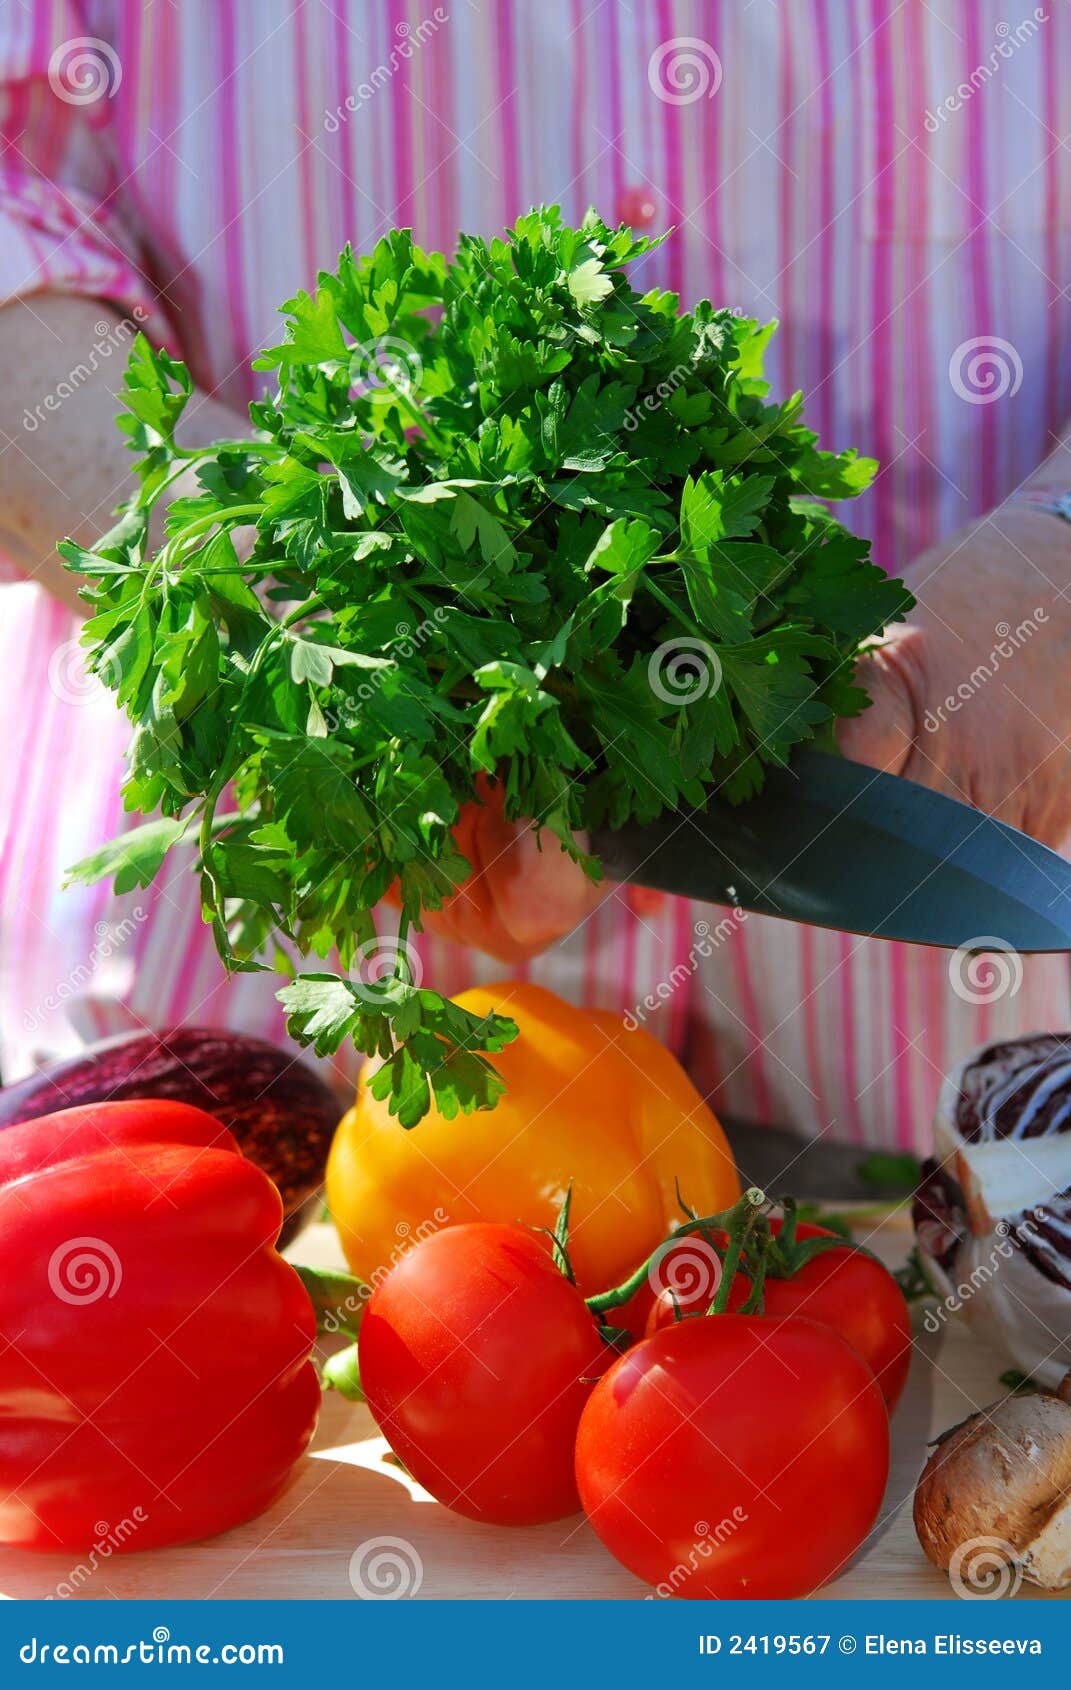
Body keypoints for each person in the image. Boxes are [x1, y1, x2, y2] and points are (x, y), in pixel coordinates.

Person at [2, 0, 1069, 1155]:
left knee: (966, 1318)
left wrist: (1053, 556)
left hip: (957, 1083)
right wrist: (252, 578)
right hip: (251, 1047)